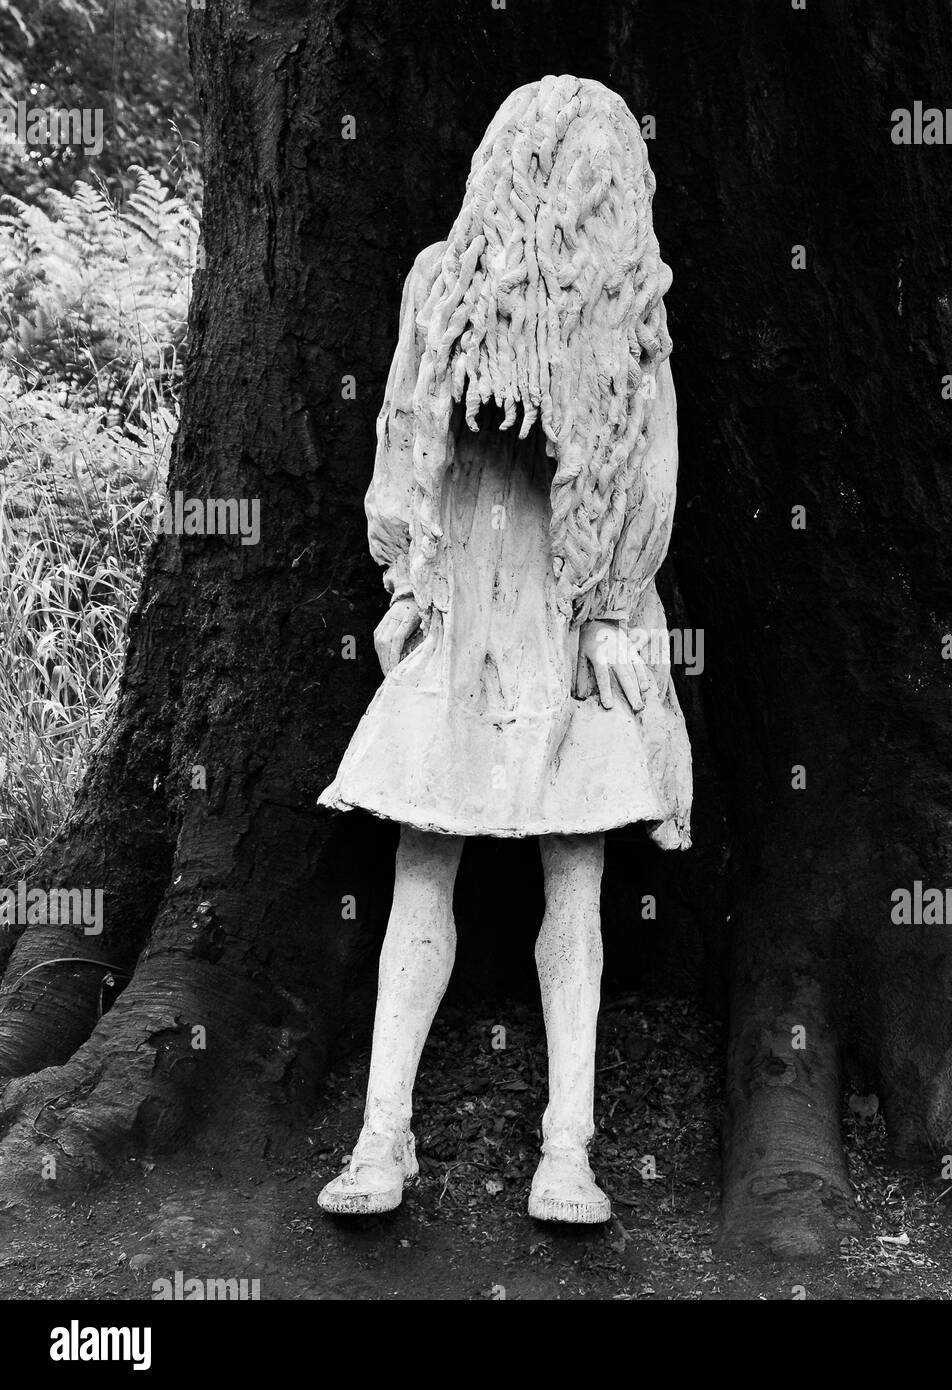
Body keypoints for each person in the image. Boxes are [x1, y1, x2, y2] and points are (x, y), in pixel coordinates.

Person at [316, 75, 692, 1222]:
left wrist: (616, 608)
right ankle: (385, 1135)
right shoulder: (441, 288)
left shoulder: (631, 308)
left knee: (571, 890)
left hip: (570, 621)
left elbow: (648, 476)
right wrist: (414, 578)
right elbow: (404, 441)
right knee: (421, 877)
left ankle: (565, 1146)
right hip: (466, 611)